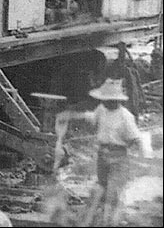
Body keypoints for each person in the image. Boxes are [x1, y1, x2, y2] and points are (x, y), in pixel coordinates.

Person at [54, 78, 148, 225]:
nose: (105, 102)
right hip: (102, 156)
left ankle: (111, 221)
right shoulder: (102, 109)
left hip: (118, 157)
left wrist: (142, 158)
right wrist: (70, 115)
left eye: (108, 100)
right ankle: (100, 219)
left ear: (116, 100)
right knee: (102, 188)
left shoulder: (125, 116)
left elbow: (136, 139)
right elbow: (89, 116)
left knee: (113, 192)